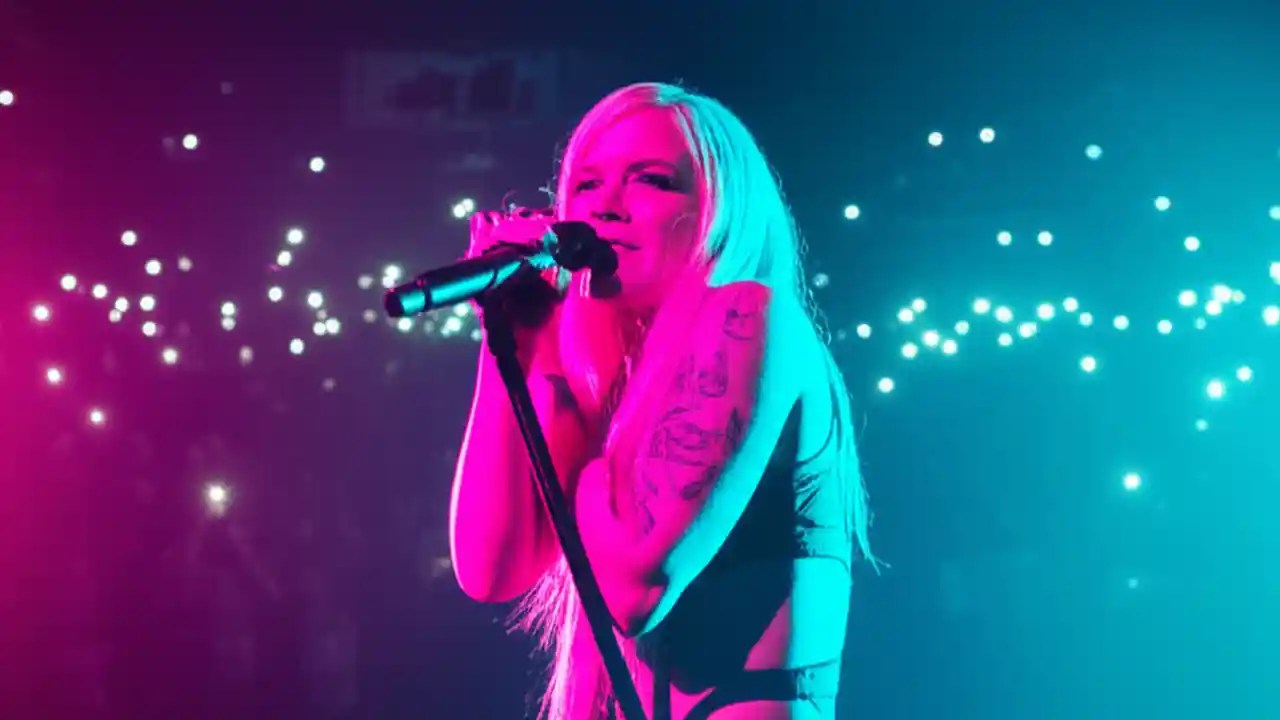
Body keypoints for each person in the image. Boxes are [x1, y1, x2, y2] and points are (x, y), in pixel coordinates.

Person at [449, 81, 878, 720]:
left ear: (717, 207)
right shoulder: (610, 375)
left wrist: (587, 432)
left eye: (650, 180)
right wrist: (512, 348)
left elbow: (631, 586)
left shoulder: (749, 315)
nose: (605, 209)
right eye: (586, 186)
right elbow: (490, 568)